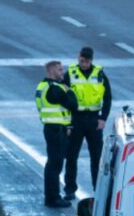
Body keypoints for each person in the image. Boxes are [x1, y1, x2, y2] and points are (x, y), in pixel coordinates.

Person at [66, 46, 113, 195]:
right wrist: (68, 122)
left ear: (91, 60)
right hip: (76, 119)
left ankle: (97, 188)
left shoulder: (99, 74)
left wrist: (103, 118)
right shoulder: (71, 73)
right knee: (72, 156)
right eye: (81, 61)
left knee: (96, 157)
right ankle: (70, 189)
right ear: (78, 57)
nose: (83, 64)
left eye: (86, 62)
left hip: (93, 119)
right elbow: (64, 98)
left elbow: (108, 97)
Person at [35, 61, 77, 207]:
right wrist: (69, 90)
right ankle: (53, 198)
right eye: (60, 70)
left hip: (51, 128)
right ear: (51, 72)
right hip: (57, 130)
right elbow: (73, 104)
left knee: (52, 164)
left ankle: (51, 196)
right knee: (55, 165)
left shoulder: (42, 86)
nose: (62, 72)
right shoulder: (55, 89)